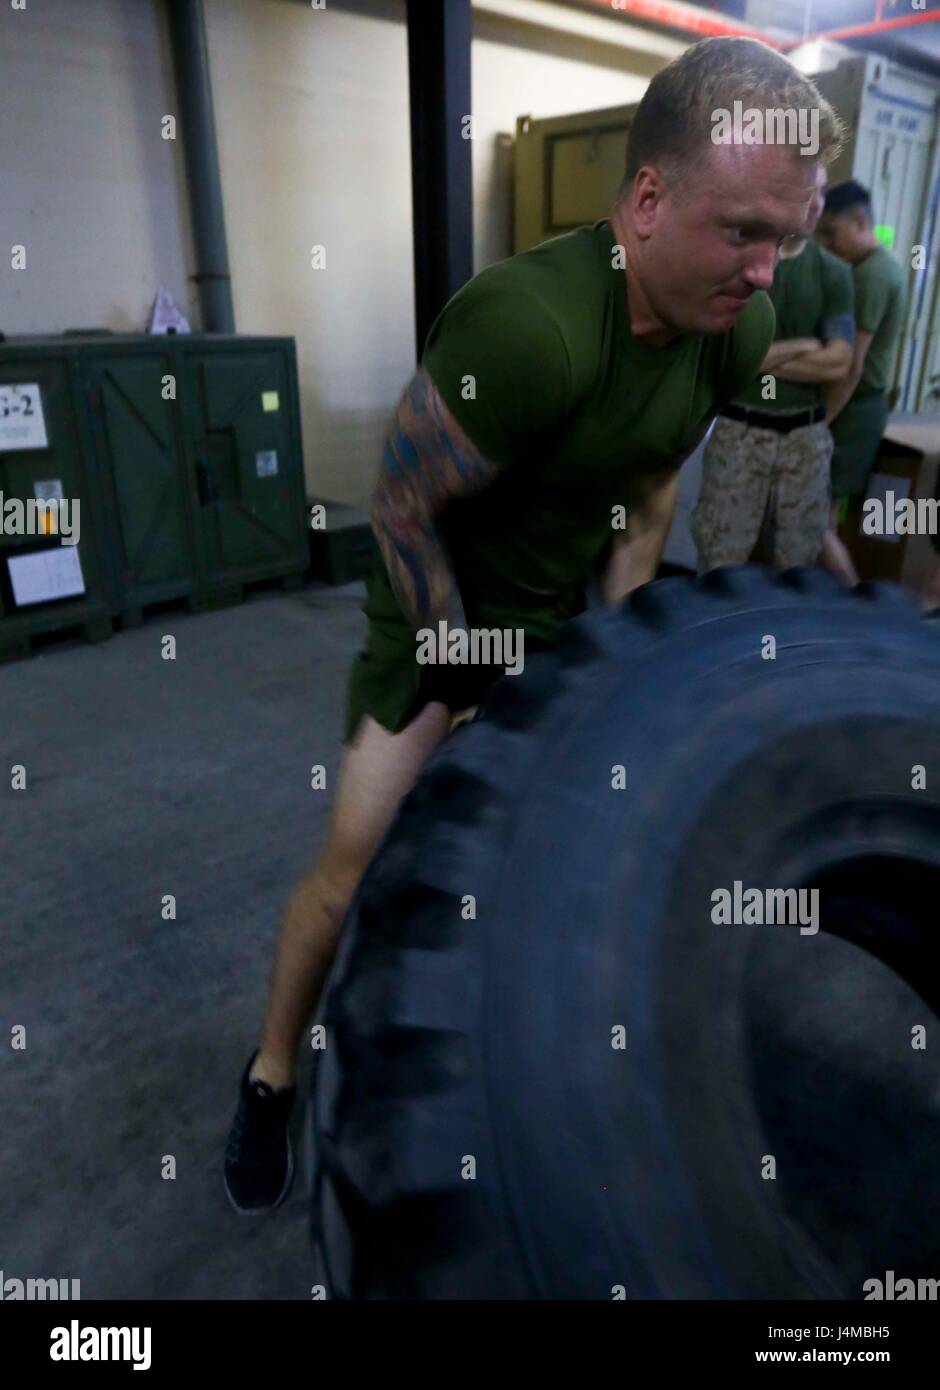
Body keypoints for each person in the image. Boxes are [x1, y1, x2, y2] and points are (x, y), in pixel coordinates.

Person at [223, 36, 841, 1214]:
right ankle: (267, 1078)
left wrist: (606, 650)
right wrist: (468, 673)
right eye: (743, 232)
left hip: (560, 611)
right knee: (354, 877)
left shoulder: (732, 330)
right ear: (648, 200)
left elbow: (652, 488)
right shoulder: (530, 329)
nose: (767, 272)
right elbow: (400, 509)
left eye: (789, 237)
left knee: (575, 865)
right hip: (438, 605)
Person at [691, 161, 854, 571]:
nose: (817, 204)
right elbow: (725, 357)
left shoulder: (833, 273)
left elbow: (838, 362)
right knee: (720, 560)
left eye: (822, 193)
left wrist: (760, 360)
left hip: (805, 438)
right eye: (807, 191)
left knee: (798, 565)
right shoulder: (742, 263)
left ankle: (782, 638)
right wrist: (802, 346)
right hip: (739, 432)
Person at [815, 179, 906, 584]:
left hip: (855, 408)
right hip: (859, 405)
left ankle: (854, 596)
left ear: (859, 221)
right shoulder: (878, 267)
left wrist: (820, 422)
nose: (829, 244)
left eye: (832, 232)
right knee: (823, 513)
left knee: (816, 517)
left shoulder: (872, 276)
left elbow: (851, 366)